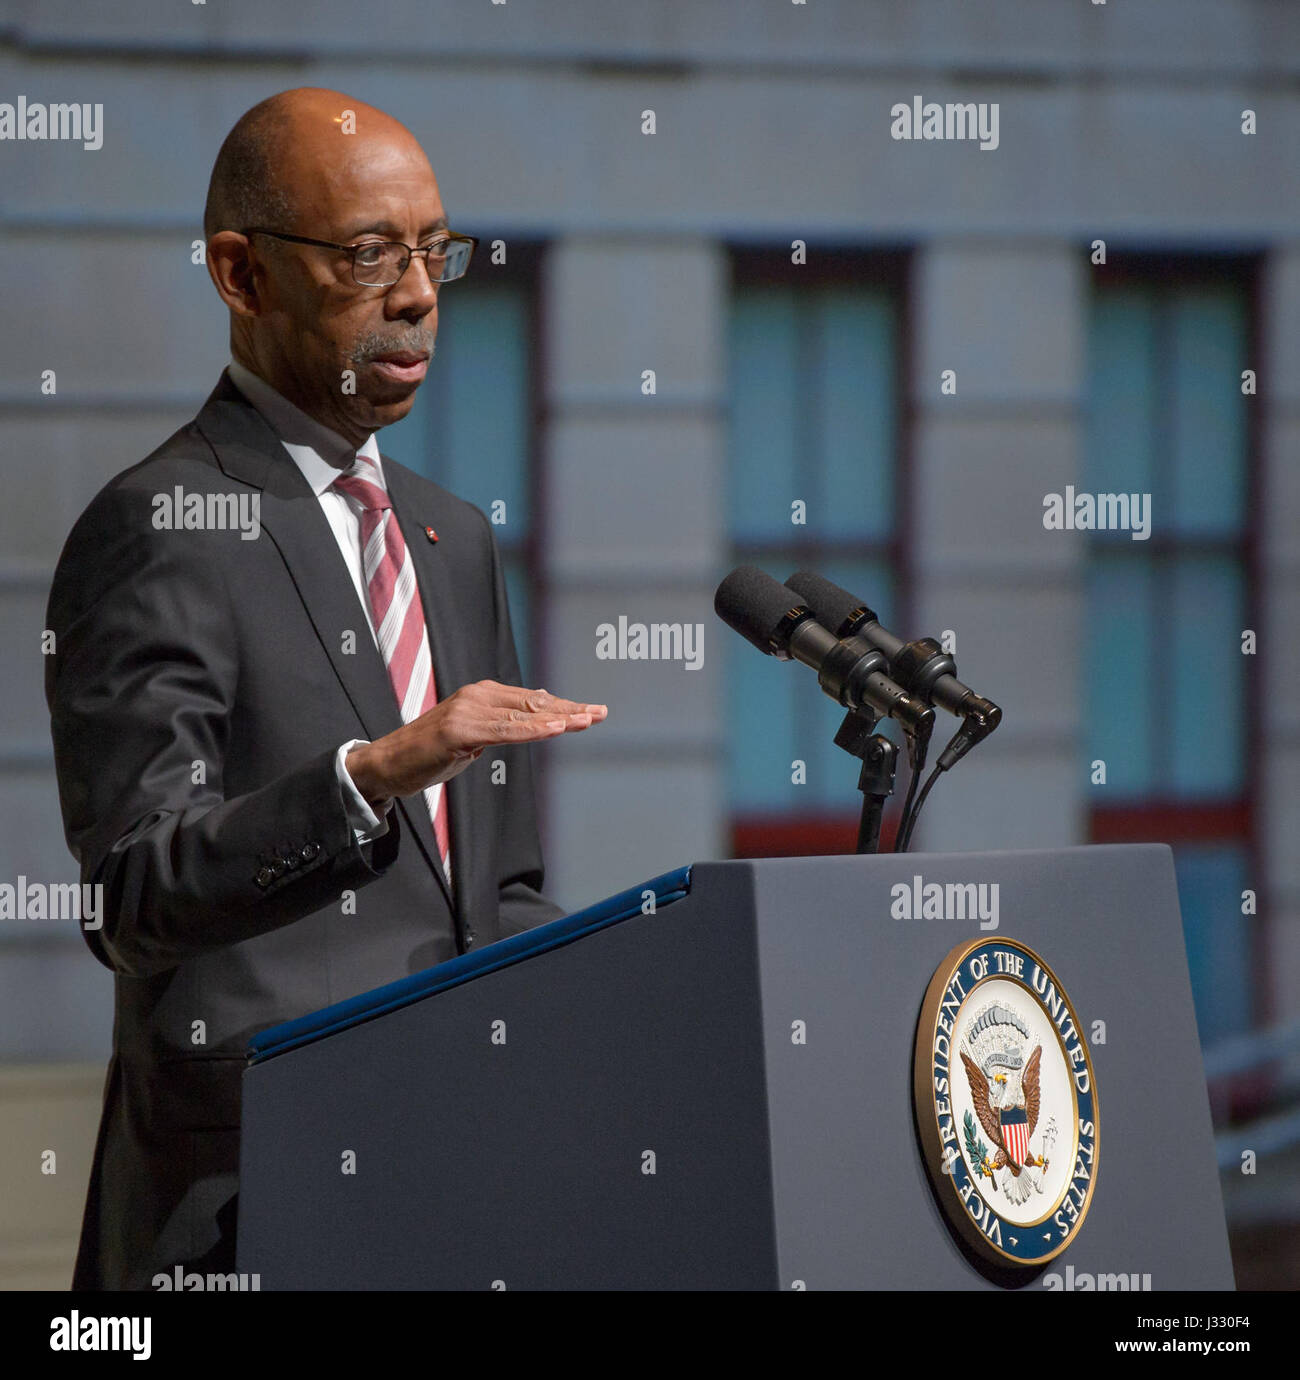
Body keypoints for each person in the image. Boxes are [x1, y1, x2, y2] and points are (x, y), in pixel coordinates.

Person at [44, 87, 607, 1291]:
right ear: (241, 275)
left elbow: (491, 897)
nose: (417, 294)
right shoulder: (164, 524)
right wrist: (373, 774)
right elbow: (135, 890)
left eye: (433, 252)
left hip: (455, 1196)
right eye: (368, 256)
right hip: (254, 1207)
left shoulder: (452, 537)